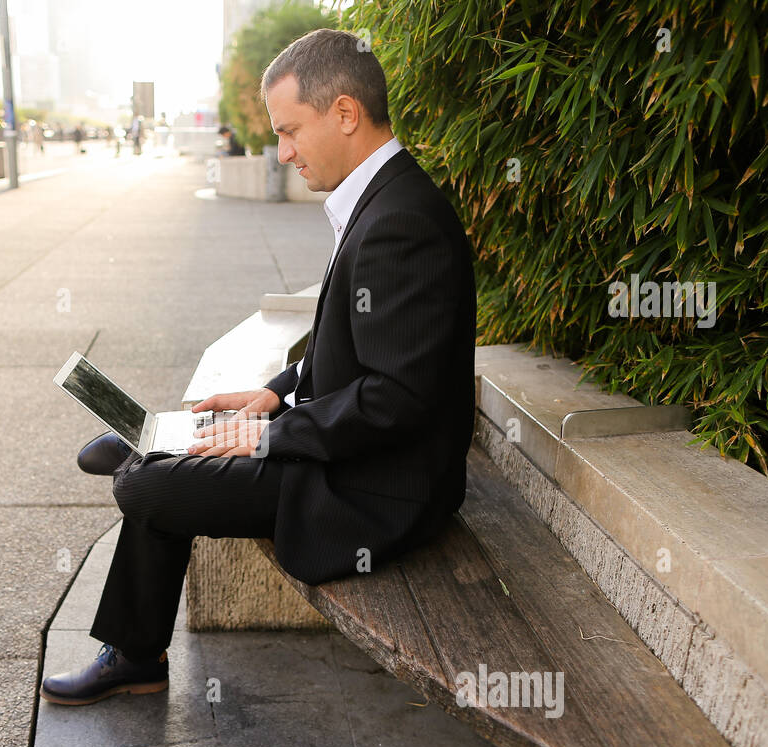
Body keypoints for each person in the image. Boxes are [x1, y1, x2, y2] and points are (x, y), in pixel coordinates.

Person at [40, 28, 477, 705]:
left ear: (345, 114)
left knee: (147, 491)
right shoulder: (383, 198)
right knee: (164, 467)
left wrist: (268, 437)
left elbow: (399, 396)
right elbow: (354, 350)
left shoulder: (400, 221)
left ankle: (137, 605)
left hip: (378, 493)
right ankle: (150, 479)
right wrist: (275, 396)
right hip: (353, 457)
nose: (284, 152)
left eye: (290, 130)